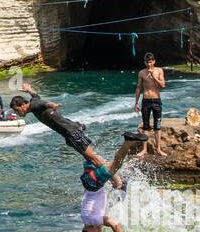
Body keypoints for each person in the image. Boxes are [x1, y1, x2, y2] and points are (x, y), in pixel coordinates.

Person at [9, 81, 146, 221]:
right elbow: (36, 96)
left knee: (94, 159)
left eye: (16, 110)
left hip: (71, 133)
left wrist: (52, 105)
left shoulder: (35, 106)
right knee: (92, 159)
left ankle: (118, 181)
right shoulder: (33, 102)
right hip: (72, 131)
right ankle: (116, 180)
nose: (16, 113)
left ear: (23, 105)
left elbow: (43, 104)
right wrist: (29, 90)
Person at [133, 52, 167, 157]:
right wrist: (136, 103)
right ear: (145, 62)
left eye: (151, 62)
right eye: (147, 62)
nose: (149, 64)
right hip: (146, 101)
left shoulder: (159, 70)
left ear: (154, 61)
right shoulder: (141, 73)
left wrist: (153, 76)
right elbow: (139, 87)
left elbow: (163, 85)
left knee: (157, 127)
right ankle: (144, 149)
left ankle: (158, 149)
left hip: (156, 101)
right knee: (145, 126)